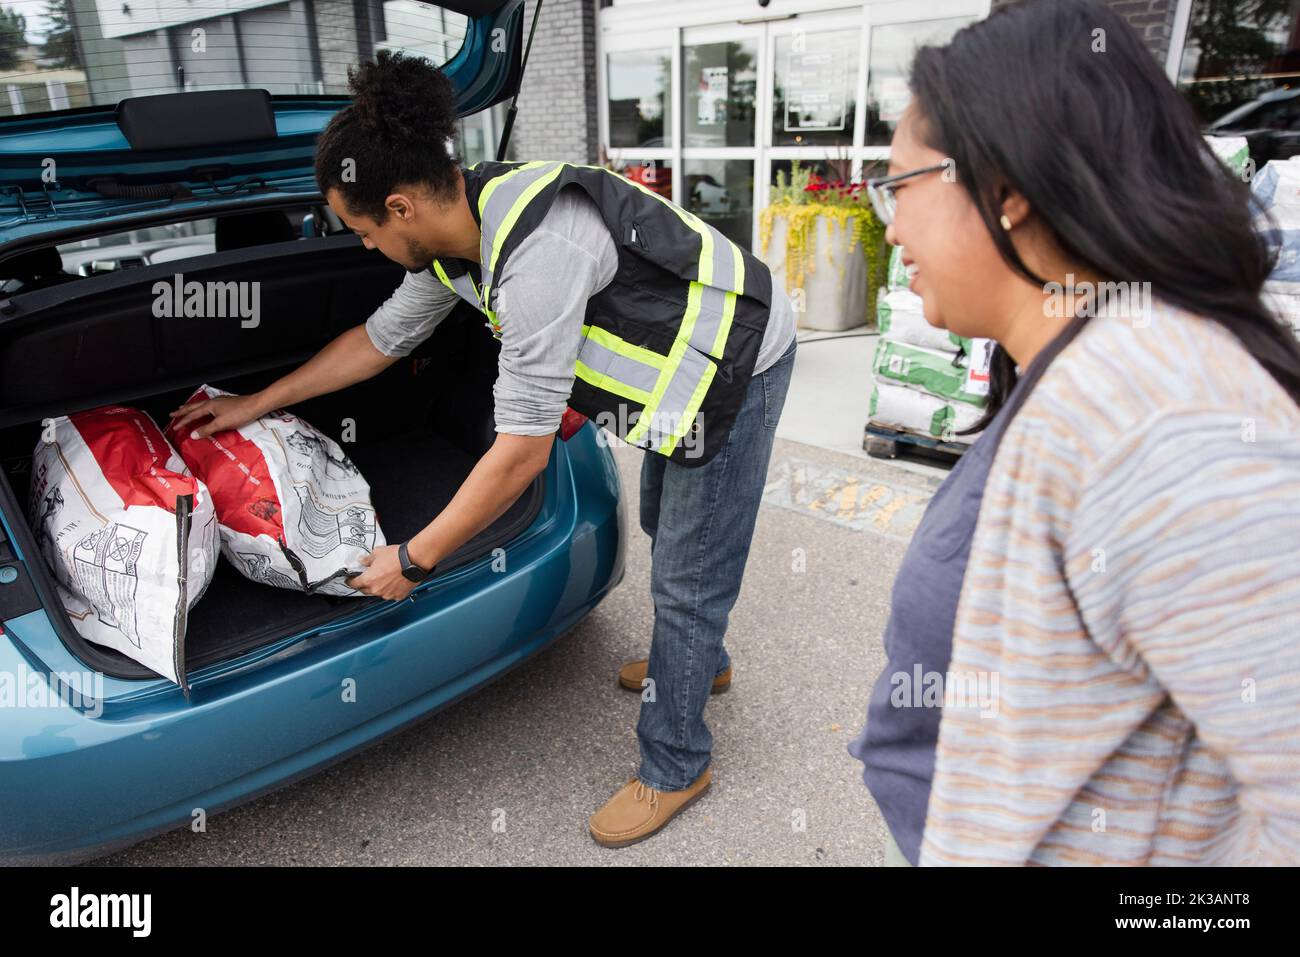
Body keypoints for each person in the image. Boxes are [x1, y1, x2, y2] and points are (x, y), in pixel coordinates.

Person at [168, 49, 798, 847]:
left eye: (361, 229)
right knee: (666, 523)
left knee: (687, 573)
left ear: (398, 206)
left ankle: (675, 760)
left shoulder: (537, 259)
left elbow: (520, 456)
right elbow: (379, 340)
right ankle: (697, 660)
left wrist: (415, 559)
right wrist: (252, 403)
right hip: (676, 390)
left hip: (739, 366)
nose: (362, 247)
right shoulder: (454, 240)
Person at [847, 0, 1300, 865]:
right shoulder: (1079, 357)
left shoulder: (1157, 416)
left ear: (1006, 188)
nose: (890, 223)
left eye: (900, 185)